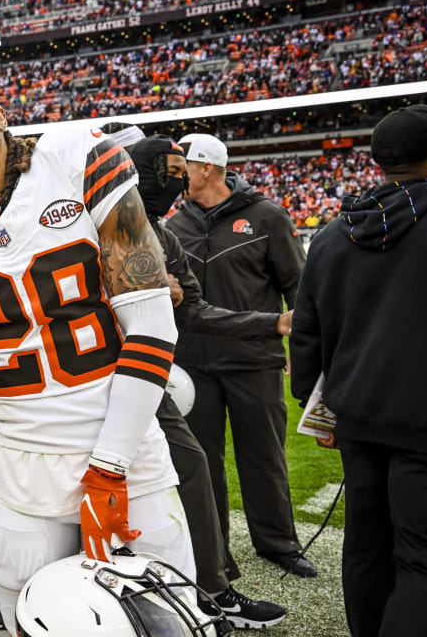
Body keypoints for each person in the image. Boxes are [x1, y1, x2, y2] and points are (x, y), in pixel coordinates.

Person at [0, 73, 191, 629]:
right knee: (33, 621)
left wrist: (110, 463)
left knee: (168, 620)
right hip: (19, 457)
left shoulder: (76, 155)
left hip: (123, 443)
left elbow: (151, 321)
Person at [291, 104, 427, 637]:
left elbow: (307, 331)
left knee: (366, 548)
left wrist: (312, 406)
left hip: (355, 419)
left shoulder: (335, 234)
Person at [122, 131, 287, 629]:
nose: (176, 183)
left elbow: (194, 308)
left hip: (146, 373)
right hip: (83, 376)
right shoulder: (94, 226)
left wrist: (271, 324)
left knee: (189, 465)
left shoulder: (165, 235)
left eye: (181, 172)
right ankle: (2, 578)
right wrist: (145, 286)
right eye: (167, 172)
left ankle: (210, 587)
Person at [164, 133, 313, 578]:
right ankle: (215, 552)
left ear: (206, 168)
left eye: (181, 167)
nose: (174, 176)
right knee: (201, 462)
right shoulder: (174, 226)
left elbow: (299, 289)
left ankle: (278, 543)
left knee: (263, 458)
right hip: (193, 367)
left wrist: (301, 351)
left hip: (255, 358)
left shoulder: (267, 216)